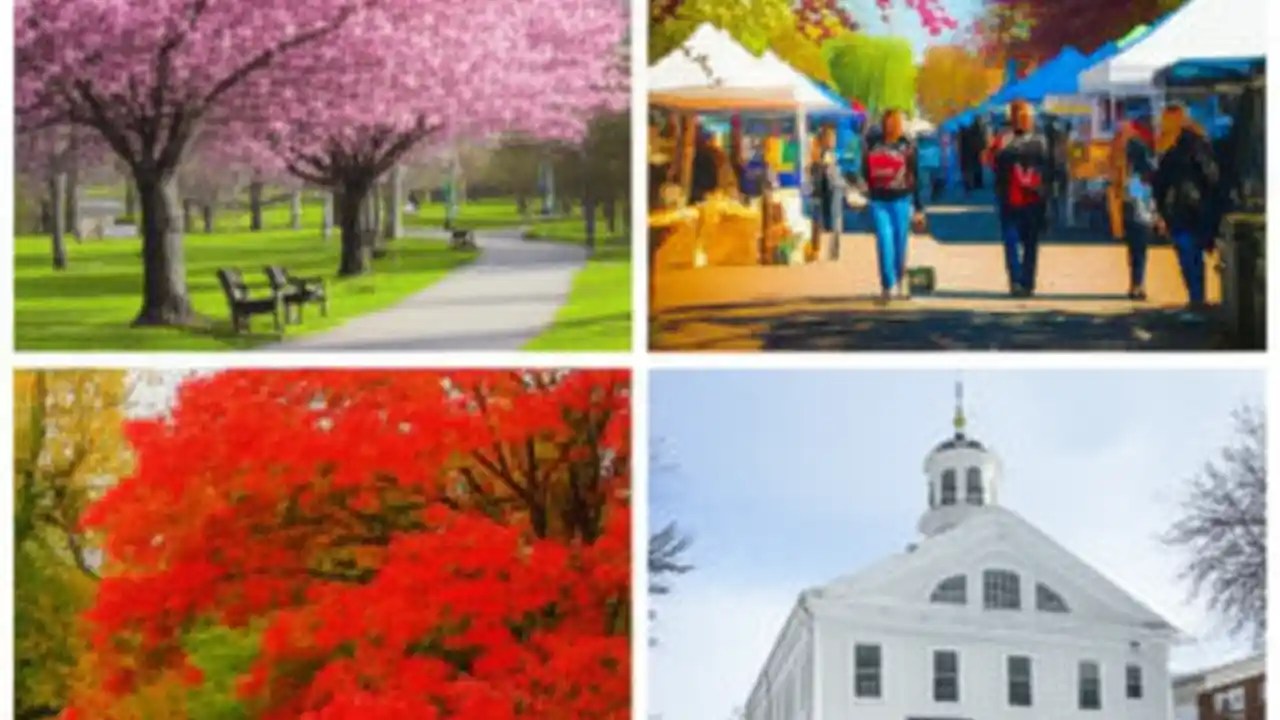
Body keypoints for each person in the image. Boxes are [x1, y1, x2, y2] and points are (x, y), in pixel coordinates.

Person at [1152, 104, 1220, 309]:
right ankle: (1197, 297)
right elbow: (1212, 177)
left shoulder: (1175, 149)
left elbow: (1161, 184)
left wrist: (1162, 210)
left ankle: (1196, 297)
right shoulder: (1200, 144)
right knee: (1193, 255)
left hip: (1183, 210)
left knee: (1188, 255)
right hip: (1195, 210)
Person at [861, 108, 926, 303]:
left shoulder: (873, 144)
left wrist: (871, 190)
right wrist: (919, 206)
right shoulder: (907, 145)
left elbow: (865, 171)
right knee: (897, 242)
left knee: (885, 241)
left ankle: (888, 285)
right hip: (900, 199)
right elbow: (915, 177)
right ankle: (897, 282)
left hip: (881, 199)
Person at [989, 99, 1052, 297]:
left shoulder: (1009, 139)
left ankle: (1021, 280)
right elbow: (1049, 167)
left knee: (1019, 241)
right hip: (1022, 196)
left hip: (1021, 196)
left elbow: (994, 163)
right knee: (1022, 241)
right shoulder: (1036, 140)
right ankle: (1023, 281)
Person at [1109, 119, 1158, 300]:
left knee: (1135, 246)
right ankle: (1137, 283)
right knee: (1138, 246)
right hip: (1135, 201)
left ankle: (1136, 283)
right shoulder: (1134, 147)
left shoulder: (1122, 148)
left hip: (1129, 201)